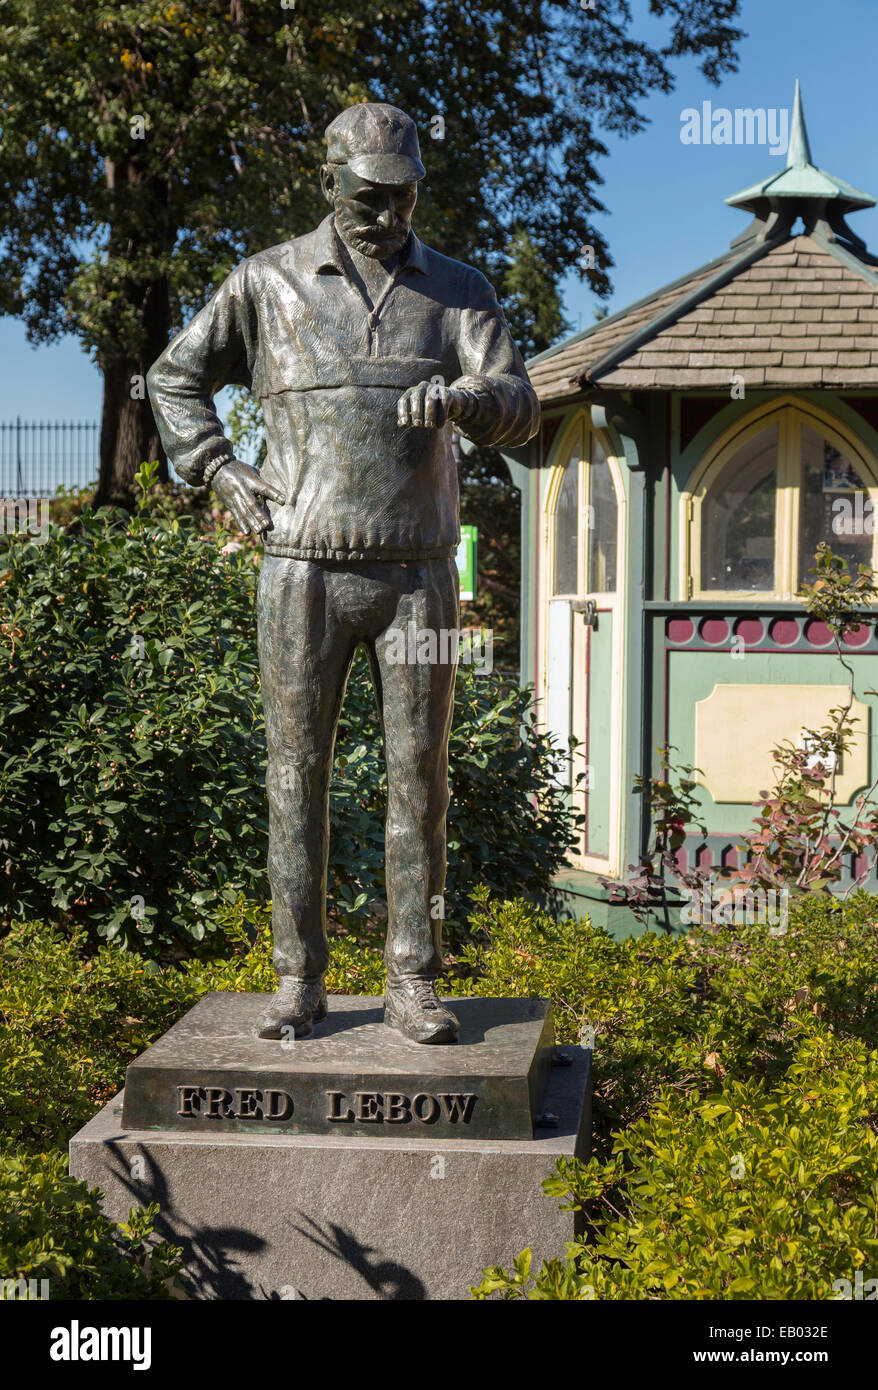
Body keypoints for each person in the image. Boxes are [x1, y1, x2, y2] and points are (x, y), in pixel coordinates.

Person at [148, 102, 540, 1044]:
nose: (390, 215)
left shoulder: (458, 290)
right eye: (371, 197)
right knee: (297, 775)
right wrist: (216, 464)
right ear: (330, 184)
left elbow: (522, 404)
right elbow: (173, 376)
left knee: (422, 778)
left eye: (404, 196)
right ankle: (298, 979)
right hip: (301, 571)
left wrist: (467, 396)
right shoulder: (266, 281)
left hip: (418, 577)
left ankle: (413, 979)